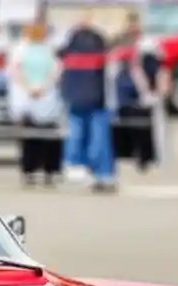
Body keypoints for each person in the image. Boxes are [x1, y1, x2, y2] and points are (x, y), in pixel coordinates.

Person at [59, 12, 116, 192]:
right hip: (97, 99)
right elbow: (109, 77)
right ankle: (103, 173)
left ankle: (75, 165)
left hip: (74, 98)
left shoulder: (69, 49)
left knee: (76, 132)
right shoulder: (100, 49)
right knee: (99, 137)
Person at [114, 13, 170, 173]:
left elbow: (160, 67)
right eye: (131, 24)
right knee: (128, 126)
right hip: (125, 92)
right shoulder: (120, 43)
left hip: (141, 93)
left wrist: (158, 89)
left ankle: (144, 158)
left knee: (142, 128)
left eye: (135, 24)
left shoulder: (148, 45)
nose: (133, 28)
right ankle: (129, 154)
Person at [9, 22, 62, 185]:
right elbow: (15, 70)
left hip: (46, 96)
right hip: (29, 96)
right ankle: (30, 169)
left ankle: (49, 170)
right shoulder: (21, 49)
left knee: (49, 137)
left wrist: (44, 87)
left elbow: (56, 71)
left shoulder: (49, 50)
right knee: (30, 137)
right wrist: (29, 88)